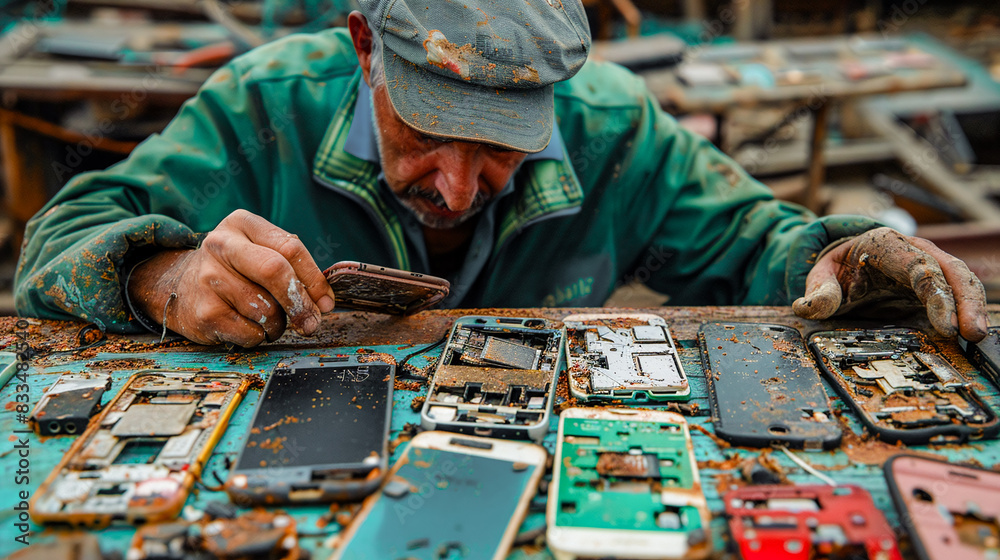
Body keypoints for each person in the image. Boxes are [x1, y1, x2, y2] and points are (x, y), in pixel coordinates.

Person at [14, 0, 989, 347]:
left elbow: (756, 245)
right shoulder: (266, 105)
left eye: (500, 145)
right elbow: (55, 244)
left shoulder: (612, 125)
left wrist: (845, 256)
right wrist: (161, 274)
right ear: (363, 45)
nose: (454, 188)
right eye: (430, 129)